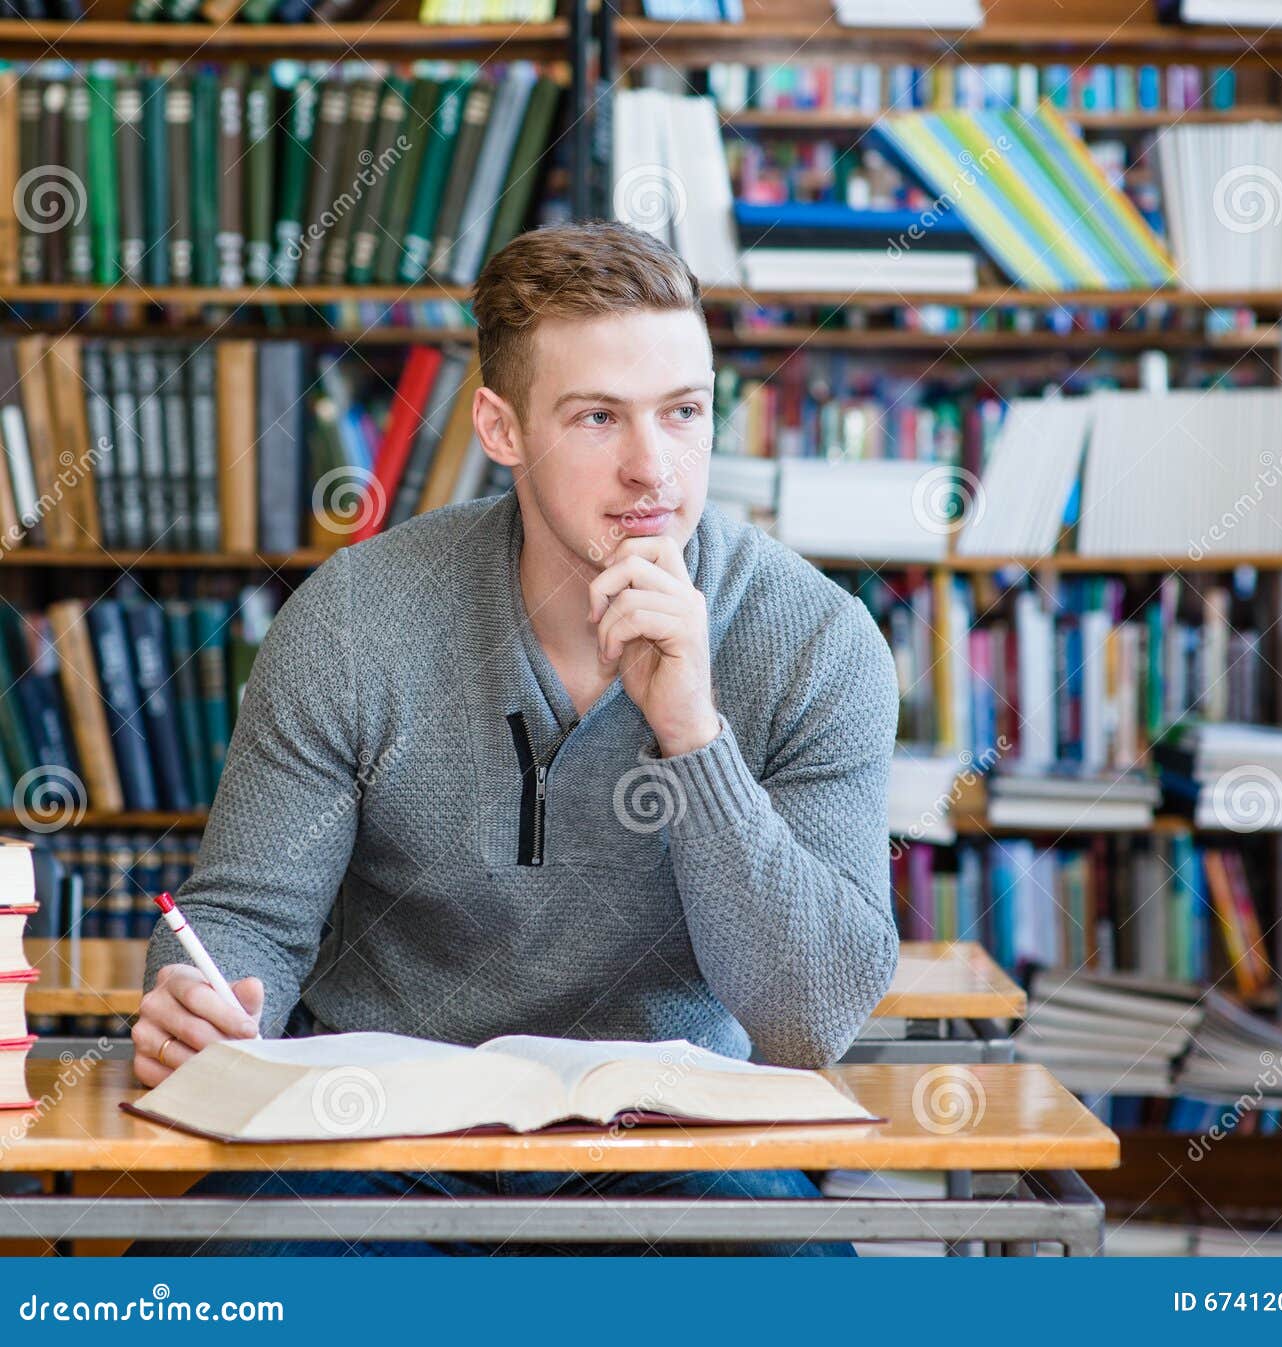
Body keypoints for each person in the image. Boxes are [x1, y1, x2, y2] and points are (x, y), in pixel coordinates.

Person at [126, 220, 900, 1256]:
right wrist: (205, 1006)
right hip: (375, 1139)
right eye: (596, 419)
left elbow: (808, 1019)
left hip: (679, 1150)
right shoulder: (356, 614)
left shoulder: (816, 641)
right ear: (500, 428)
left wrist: (692, 733)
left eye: (683, 413)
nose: (651, 469)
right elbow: (246, 920)